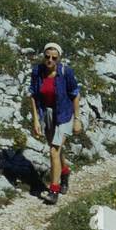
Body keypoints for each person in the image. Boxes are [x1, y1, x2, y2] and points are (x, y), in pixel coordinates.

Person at [29, 41, 82, 204]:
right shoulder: (37, 71)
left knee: (53, 151)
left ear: (58, 58)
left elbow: (75, 94)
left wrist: (77, 119)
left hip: (64, 114)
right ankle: (64, 173)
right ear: (43, 56)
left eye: (54, 58)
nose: (50, 60)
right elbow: (33, 94)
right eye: (47, 57)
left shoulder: (66, 72)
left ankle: (54, 189)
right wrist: (36, 119)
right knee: (57, 149)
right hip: (47, 113)